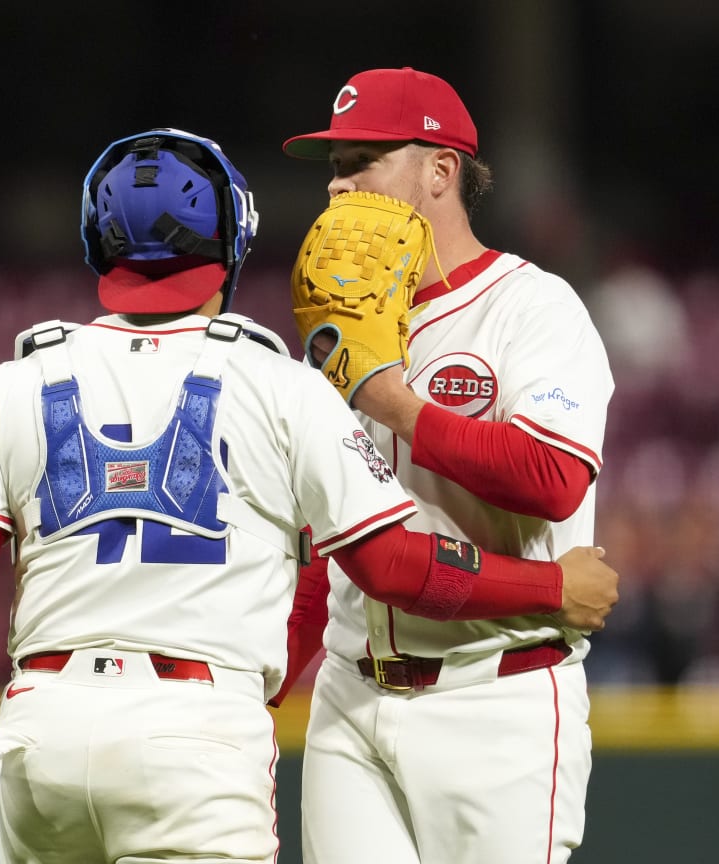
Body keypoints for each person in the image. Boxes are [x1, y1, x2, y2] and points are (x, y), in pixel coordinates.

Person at [0, 127, 618, 863]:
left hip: (41, 736)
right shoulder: (279, 382)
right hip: (194, 736)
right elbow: (392, 567)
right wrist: (550, 587)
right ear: (235, 238)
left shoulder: (21, 378)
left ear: (96, 239)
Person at [281, 67, 618, 863]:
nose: (340, 186)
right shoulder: (339, 330)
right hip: (349, 697)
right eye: (333, 166)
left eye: (363, 159)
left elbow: (551, 477)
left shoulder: (531, 306)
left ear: (441, 169)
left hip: (496, 696)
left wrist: (393, 402)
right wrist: (263, 695)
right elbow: (317, 543)